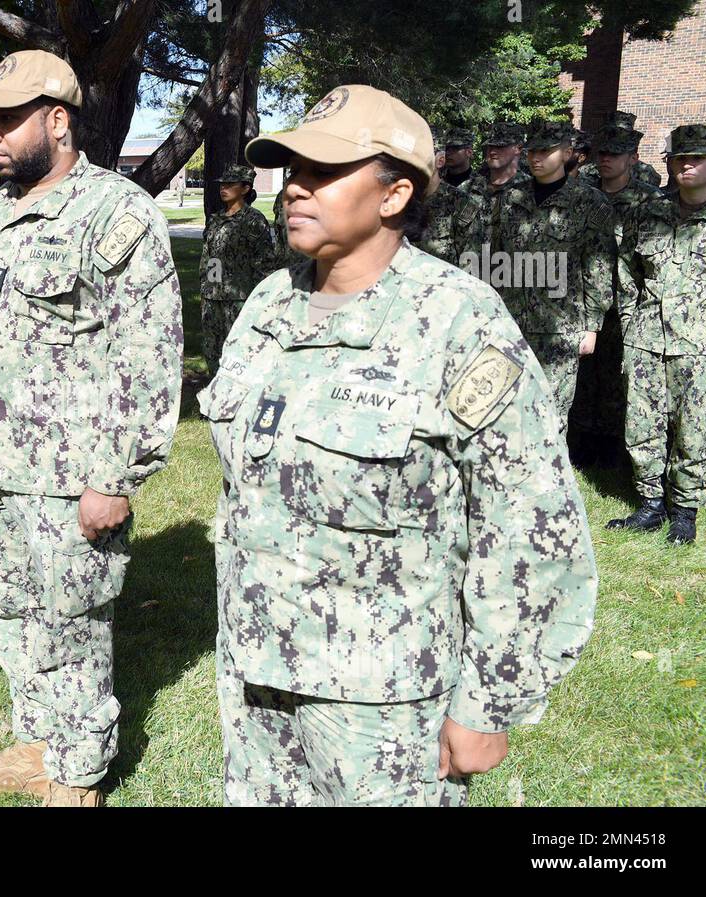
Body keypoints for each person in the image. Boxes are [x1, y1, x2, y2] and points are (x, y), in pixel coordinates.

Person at [203, 84, 596, 806]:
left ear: (394, 195)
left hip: (382, 703)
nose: (295, 186)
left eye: (323, 171)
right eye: (292, 169)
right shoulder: (266, 306)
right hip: (255, 674)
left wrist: (487, 700)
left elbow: (531, 526)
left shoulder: (458, 321)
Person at [0, 50, 183, 806]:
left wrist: (114, 476)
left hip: (71, 476)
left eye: (9, 118)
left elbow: (147, 352)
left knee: (71, 624)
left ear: (58, 120)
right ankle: (39, 742)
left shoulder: (115, 213)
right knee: (11, 616)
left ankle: (79, 775)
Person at [608, 121, 706, 545]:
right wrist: (632, 326)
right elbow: (627, 274)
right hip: (647, 340)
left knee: (696, 430)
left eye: (698, 158)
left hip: (705, 346)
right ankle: (650, 505)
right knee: (641, 427)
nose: (686, 166)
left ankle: (684, 511)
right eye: (679, 158)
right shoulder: (647, 212)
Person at [493, 119, 615, 432]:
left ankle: (546, 479)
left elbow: (598, 267)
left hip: (559, 325)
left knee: (550, 413)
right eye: (532, 150)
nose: (536, 157)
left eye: (546, 150)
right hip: (511, 321)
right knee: (504, 407)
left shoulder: (590, 203)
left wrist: (592, 326)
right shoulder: (509, 199)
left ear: (567, 152)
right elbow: (495, 258)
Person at [567, 123, 662, 467]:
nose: (605, 160)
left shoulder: (649, 201)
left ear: (633, 158)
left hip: (626, 302)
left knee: (615, 376)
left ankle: (610, 448)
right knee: (581, 374)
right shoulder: (582, 193)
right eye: (601, 153)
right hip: (583, 297)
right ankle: (580, 442)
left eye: (614, 154)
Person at [199, 163, 277, 376]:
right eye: (222, 184)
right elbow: (207, 257)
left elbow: (265, 263)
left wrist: (261, 301)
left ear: (245, 188)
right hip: (212, 297)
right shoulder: (215, 219)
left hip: (239, 299)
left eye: (230, 184)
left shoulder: (253, 221)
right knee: (212, 351)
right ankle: (214, 395)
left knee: (239, 351)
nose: (223, 188)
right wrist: (205, 290)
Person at [461, 120, 528, 248]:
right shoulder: (468, 189)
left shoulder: (530, 192)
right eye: (490, 146)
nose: (492, 151)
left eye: (500, 146)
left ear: (518, 148)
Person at [416, 143, 484, 267]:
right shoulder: (399, 201)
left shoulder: (461, 203)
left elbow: (471, 264)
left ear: (440, 161)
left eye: (421, 157)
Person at [576, 111, 662, 187]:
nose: (606, 158)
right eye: (603, 153)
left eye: (622, 133)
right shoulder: (587, 171)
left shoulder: (646, 173)